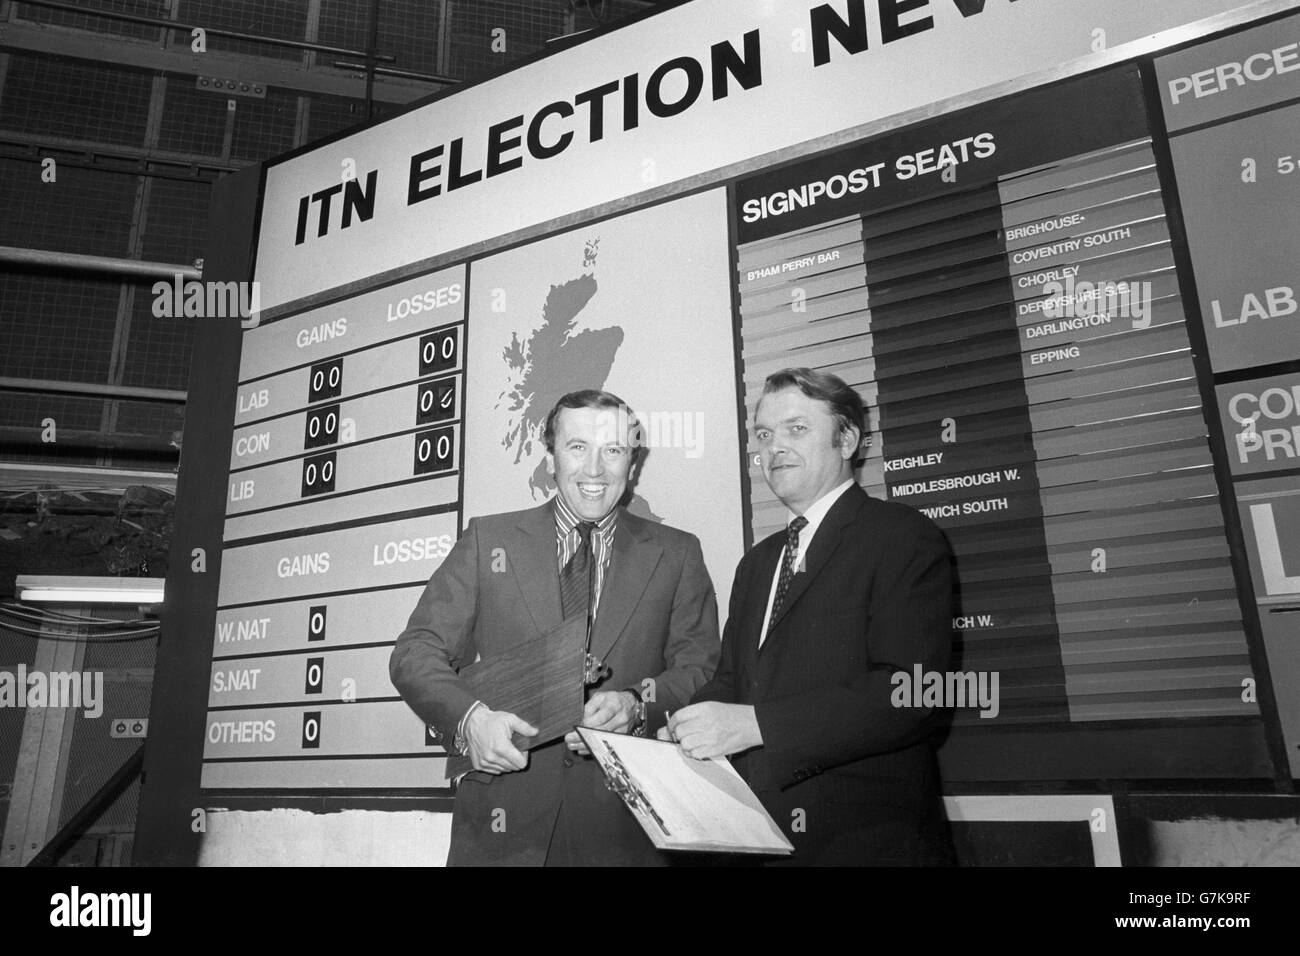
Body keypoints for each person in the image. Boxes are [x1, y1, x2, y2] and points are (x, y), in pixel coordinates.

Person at [391, 389, 719, 866]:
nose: (594, 469)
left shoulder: (678, 553)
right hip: (504, 827)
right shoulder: (489, 540)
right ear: (550, 457)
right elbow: (415, 652)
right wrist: (471, 720)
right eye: (577, 446)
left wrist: (636, 706)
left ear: (633, 463)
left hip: (628, 830)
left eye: (613, 450)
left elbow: (702, 668)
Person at [663, 367, 955, 865]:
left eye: (796, 429)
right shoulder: (757, 563)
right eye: (764, 434)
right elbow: (732, 681)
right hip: (758, 841)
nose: (773, 447)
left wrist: (759, 726)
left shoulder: (903, 537)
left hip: (868, 846)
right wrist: (682, 731)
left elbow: (916, 692)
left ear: (847, 440)